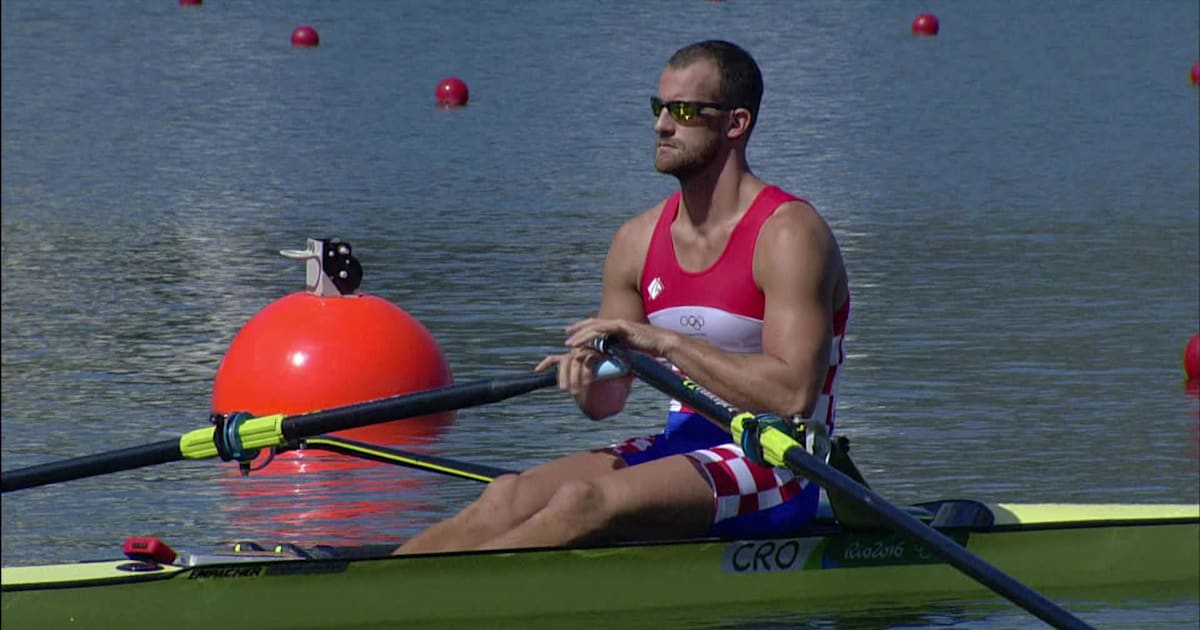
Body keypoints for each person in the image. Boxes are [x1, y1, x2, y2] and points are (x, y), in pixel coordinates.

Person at [394, 40, 849, 554]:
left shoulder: (789, 234)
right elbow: (607, 401)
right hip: (684, 447)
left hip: (777, 464)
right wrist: (587, 373)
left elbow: (792, 394)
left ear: (736, 124)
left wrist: (663, 342)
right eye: (660, 109)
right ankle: (379, 593)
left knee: (579, 503)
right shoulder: (636, 241)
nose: (661, 126)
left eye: (684, 111)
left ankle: (450, 602)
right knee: (508, 494)